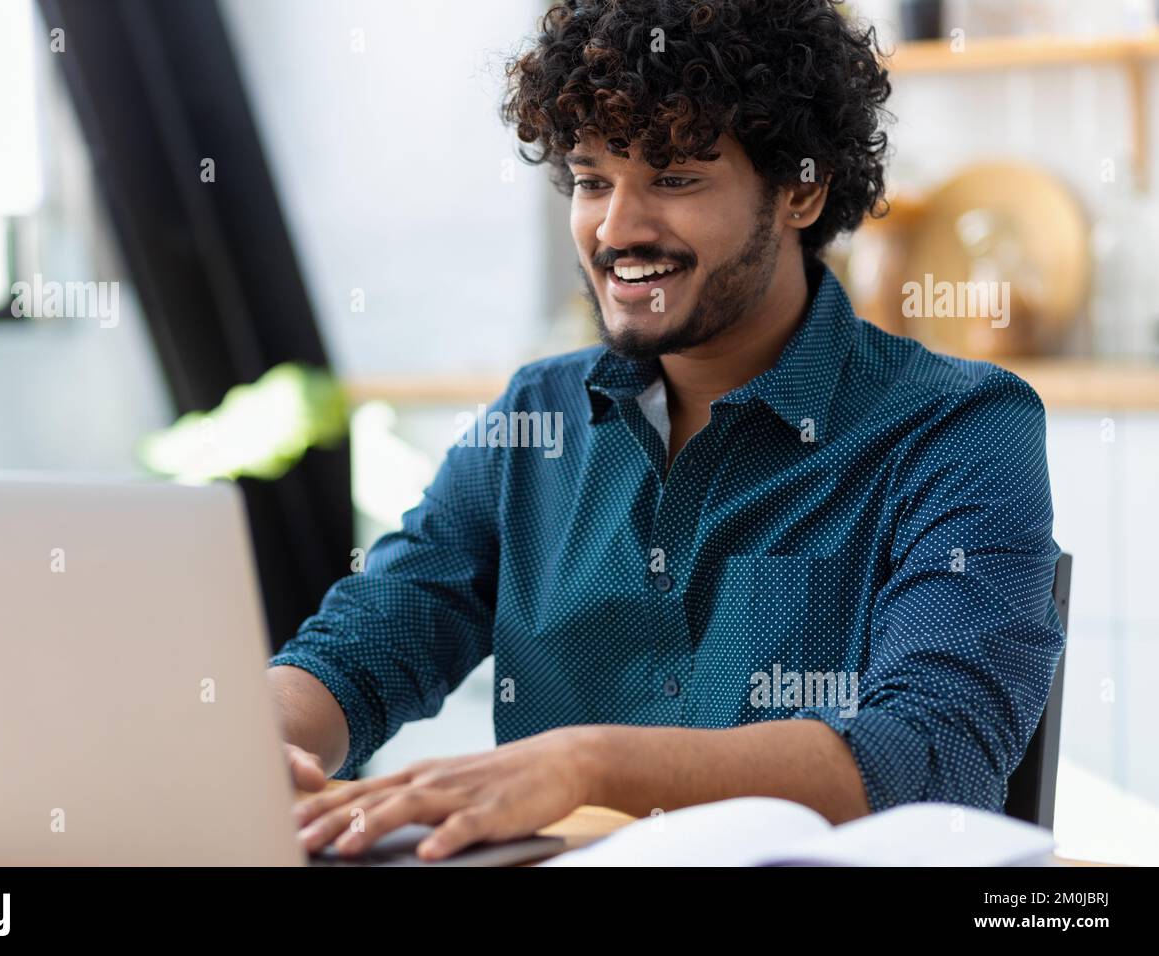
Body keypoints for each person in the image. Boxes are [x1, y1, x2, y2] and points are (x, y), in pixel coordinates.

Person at [270, 0, 1064, 861]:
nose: (615, 230)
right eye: (591, 179)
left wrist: (591, 764)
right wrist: (258, 747)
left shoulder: (958, 428)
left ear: (801, 189)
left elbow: (930, 758)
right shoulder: (537, 417)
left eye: (675, 178)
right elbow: (370, 639)